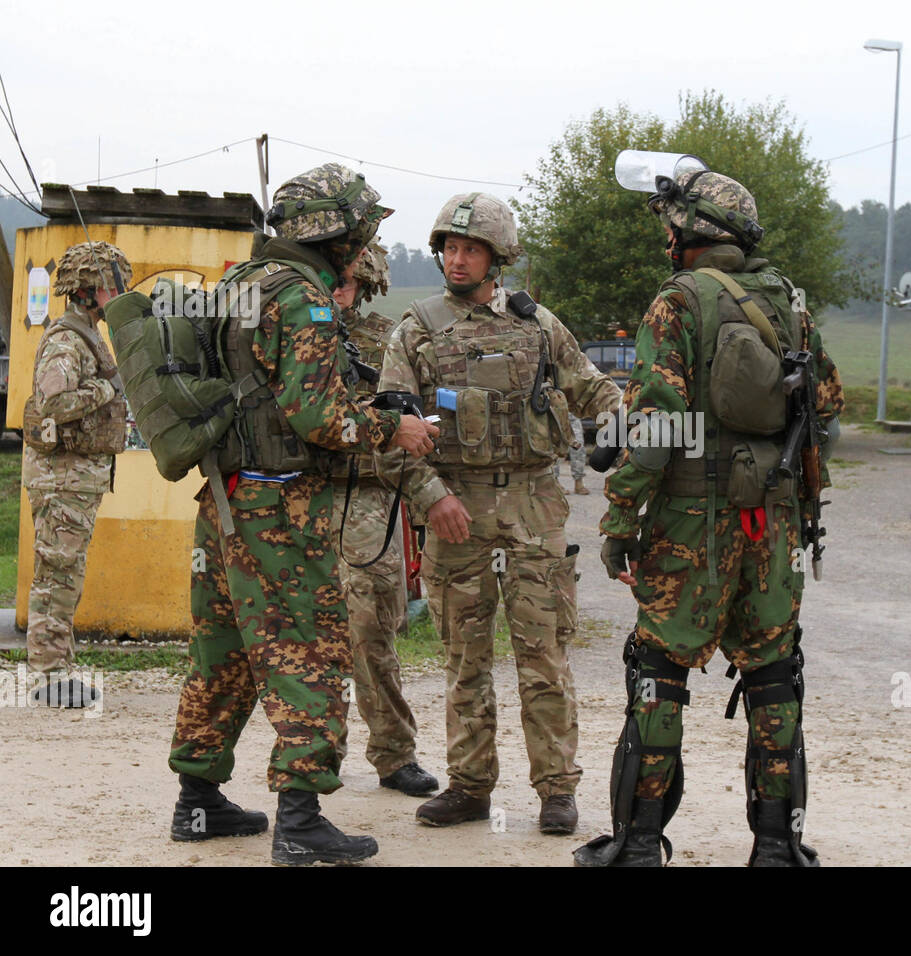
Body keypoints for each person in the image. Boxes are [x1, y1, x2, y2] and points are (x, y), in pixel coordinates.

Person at [166, 164, 438, 865]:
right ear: (339, 232)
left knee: (222, 652)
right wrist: (390, 430)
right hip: (279, 505)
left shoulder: (238, 284)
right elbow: (318, 416)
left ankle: (198, 804)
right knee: (307, 650)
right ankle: (301, 817)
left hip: (224, 494)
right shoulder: (304, 297)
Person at [574, 167, 843, 868]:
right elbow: (828, 400)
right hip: (775, 518)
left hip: (690, 525)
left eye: (670, 223)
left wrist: (621, 515)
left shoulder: (679, 302)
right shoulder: (788, 298)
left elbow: (659, 425)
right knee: (774, 676)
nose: (665, 233)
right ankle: (779, 847)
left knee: (658, 672)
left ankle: (636, 846)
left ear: (691, 231)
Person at [379, 191, 622, 836]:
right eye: (449, 249)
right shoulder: (416, 330)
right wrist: (434, 498)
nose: (456, 261)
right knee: (465, 653)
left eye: (470, 249)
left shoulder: (538, 325)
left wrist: (633, 421)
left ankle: (557, 790)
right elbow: (387, 431)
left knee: (543, 650)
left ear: (497, 256)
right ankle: (469, 785)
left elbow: (592, 386)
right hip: (456, 505)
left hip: (534, 503)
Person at [329, 242, 440, 797]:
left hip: (371, 500)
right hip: (309, 498)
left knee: (374, 633)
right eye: (333, 279)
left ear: (365, 284)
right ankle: (318, 756)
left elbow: (415, 418)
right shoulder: (301, 335)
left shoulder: (387, 339)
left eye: (347, 281)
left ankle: (394, 755)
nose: (337, 289)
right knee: (316, 635)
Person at [21, 241, 130, 707]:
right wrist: (108, 386)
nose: (120, 292)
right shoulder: (67, 339)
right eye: (114, 284)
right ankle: (47, 677)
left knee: (66, 573)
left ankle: (56, 666)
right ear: (94, 289)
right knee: (57, 574)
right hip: (61, 479)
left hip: (74, 480)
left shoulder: (87, 333)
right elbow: (56, 402)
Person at [552, 412, 589, 494]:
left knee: (579, 447)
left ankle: (579, 482)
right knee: (555, 448)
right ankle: (555, 483)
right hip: (554, 414)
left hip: (572, 415)